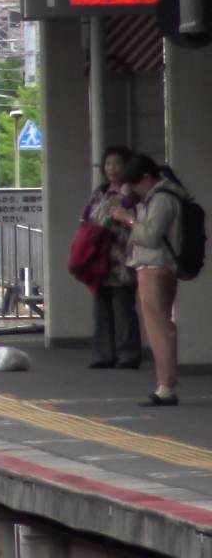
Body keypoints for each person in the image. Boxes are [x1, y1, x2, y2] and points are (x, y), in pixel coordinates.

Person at [112, 154, 186, 406]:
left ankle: (166, 385)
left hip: (155, 266)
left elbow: (151, 237)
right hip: (153, 266)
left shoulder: (162, 199)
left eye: (135, 184)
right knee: (159, 325)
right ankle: (165, 383)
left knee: (159, 327)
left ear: (146, 178)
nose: (134, 190)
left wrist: (128, 219)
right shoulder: (157, 197)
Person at [83, 146, 141, 369]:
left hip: (122, 257)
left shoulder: (133, 193)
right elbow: (88, 217)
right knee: (100, 308)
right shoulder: (100, 191)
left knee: (123, 307)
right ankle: (103, 354)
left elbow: (127, 220)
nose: (112, 168)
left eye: (117, 164)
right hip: (99, 257)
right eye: (108, 164)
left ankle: (128, 354)